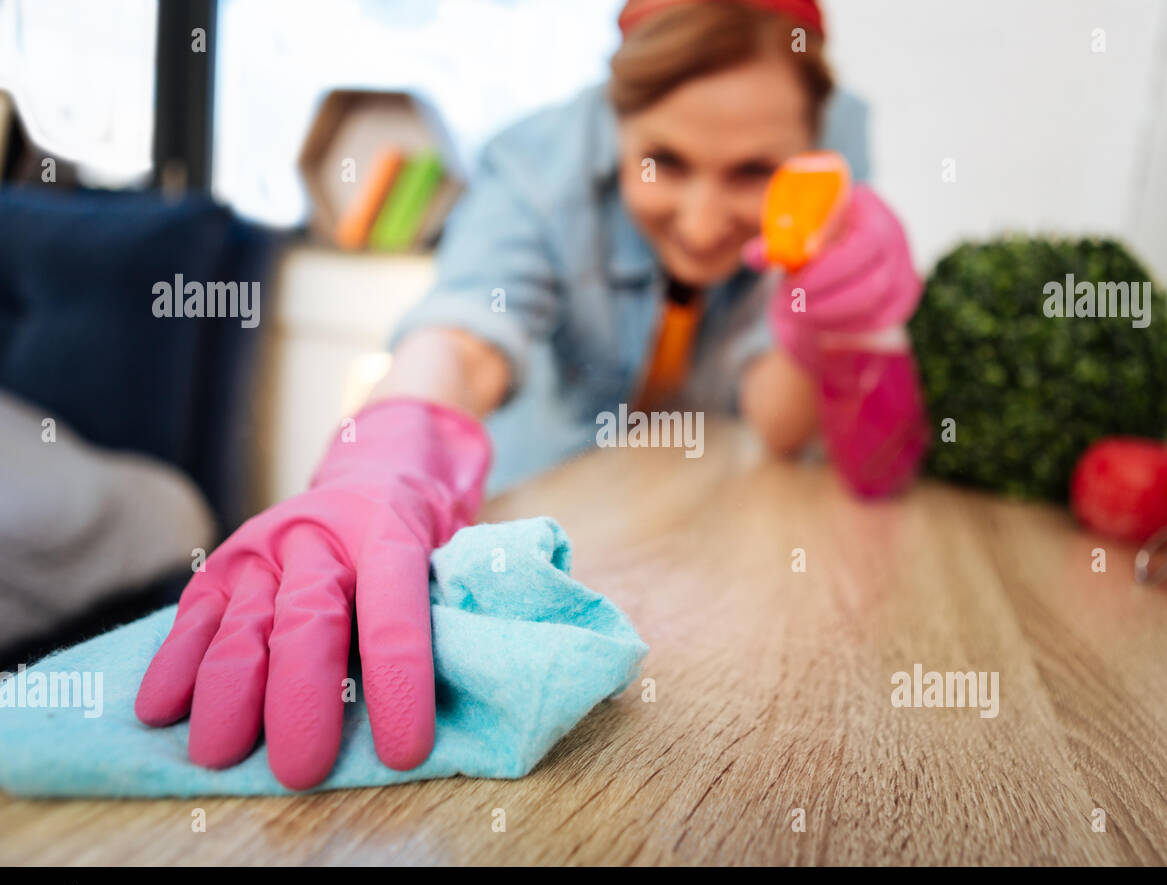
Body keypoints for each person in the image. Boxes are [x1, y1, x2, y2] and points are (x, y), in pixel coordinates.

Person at [134, 0, 928, 790]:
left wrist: (838, 322)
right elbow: (466, 337)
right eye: (666, 163)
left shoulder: (829, 167)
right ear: (617, 122)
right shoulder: (534, 167)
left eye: (753, 172)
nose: (702, 221)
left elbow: (781, 420)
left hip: (713, 560)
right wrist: (384, 459)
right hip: (547, 523)